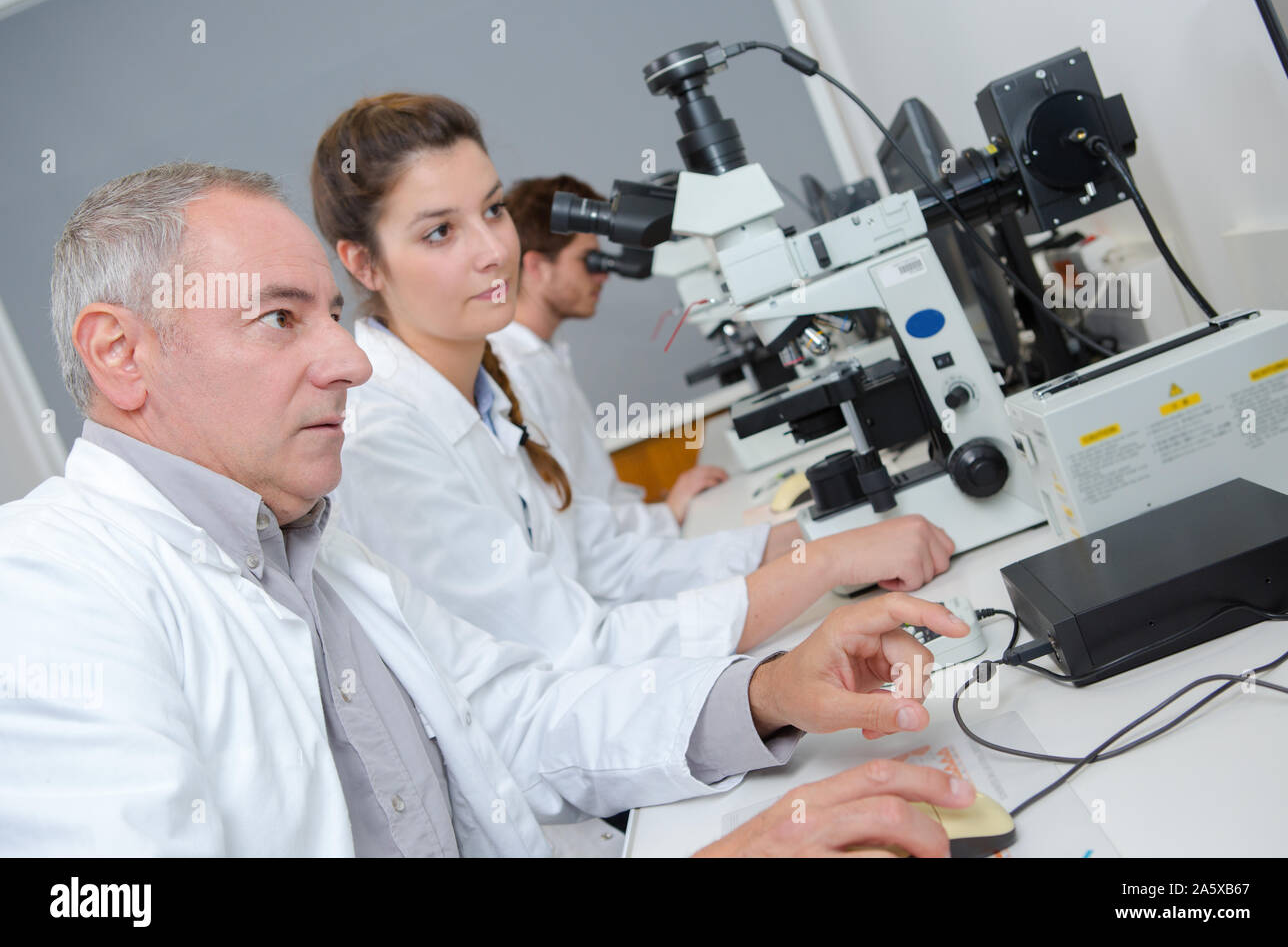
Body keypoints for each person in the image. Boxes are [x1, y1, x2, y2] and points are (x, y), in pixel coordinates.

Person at [0, 162, 975, 856]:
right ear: (120, 353)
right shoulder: (46, 589)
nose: (344, 359)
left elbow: (514, 709)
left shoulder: (313, 549)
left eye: (332, 317)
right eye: (279, 319)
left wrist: (763, 692)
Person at [315, 93, 956, 669]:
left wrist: (807, 540)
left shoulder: (484, 386)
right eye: (440, 232)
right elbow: (573, 647)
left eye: (493, 209)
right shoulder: (379, 438)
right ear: (364, 263)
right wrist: (827, 564)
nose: (491, 250)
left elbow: (602, 561)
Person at [488, 174, 720, 536]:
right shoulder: (514, 372)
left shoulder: (544, 355)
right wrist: (666, 513)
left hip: (627, 547)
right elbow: (566, 517)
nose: (603, 276)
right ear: (536, 267)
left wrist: (660, 514)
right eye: (589, 260)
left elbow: (594, 493)